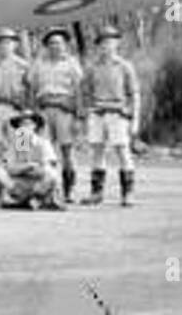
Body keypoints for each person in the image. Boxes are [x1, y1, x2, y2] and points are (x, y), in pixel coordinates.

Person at [80, 25, 140, 206]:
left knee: (122, 150)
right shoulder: (92, 67)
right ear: (99, 46)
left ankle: (127, 193)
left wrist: (135, 119)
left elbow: (134, 93)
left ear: (117, 44)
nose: (107, 46)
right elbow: (85, 91)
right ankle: (96, 192)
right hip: (97, 113)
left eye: (110, 42)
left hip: (117, 112)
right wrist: (87, 110)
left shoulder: (124, 66)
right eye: (103, 42)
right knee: (96, 151)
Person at [27, 26, 84, 203]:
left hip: (64, 109)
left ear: (65, 45)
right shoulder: (39, 63)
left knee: (67, 151)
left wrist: (79, 116)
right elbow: (31, 87)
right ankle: (49, 188)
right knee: (44, 151)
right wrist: (31, 113)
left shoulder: (72, 63)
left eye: (59, 42)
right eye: (51, 43)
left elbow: (79, 90)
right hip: (44, 108)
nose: (55, 46)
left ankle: (69, 190)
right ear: (46, 46)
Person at [0, 110, 64, 209]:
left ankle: (37, 199)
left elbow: (48, 166)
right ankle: (22, 199)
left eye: (28, 124)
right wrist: (27, 167)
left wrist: (28, 168)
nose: (25, 127)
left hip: (38, 181)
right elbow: (9, 167)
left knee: (51, 174)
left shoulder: (43, 143)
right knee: (1, 173)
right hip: (20, 180)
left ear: (34, 126)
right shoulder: (14, 145)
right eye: (22, 124)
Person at [0, 27, 29, 145]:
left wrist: (28, 110)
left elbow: (30, 88)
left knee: (22, 144)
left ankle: (24, 162)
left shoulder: (23, 66)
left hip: (17, 107)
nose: (3, 46)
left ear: (15, 44)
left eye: (7, 42)